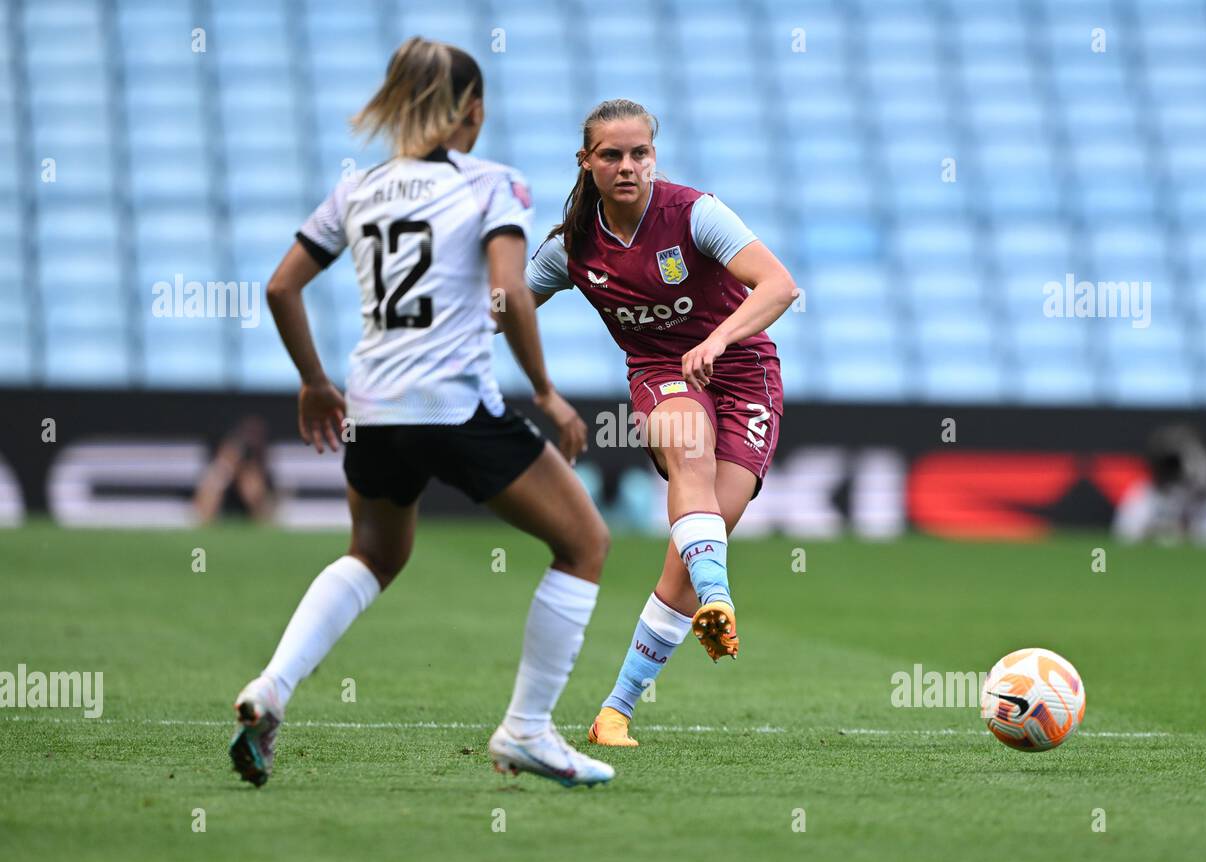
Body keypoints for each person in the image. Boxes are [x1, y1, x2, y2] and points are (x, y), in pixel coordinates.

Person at [228, 38, 615, 788]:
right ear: (472, 111)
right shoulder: (488, 184)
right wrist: (544, 390)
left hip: (372, 405)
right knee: (584, 543)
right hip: (454, 403)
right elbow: (508, 294)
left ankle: (272, 686)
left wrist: (314, 381)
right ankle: (527, 730)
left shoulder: (360, 188)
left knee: (373, 554)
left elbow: (281, 287)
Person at [525, 99, 798, 747]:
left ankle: (614, 711)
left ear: (655, 156)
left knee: (690, 548)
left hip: (743, 371)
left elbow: (779, 286)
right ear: (586, 162)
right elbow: (505, 309)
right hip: (661, 372)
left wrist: (719, 339)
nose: (627, 167)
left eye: (639, 153)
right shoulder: (570, 247)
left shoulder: (694, 213)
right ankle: (720, 599)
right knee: (690, 454)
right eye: (611, 155)